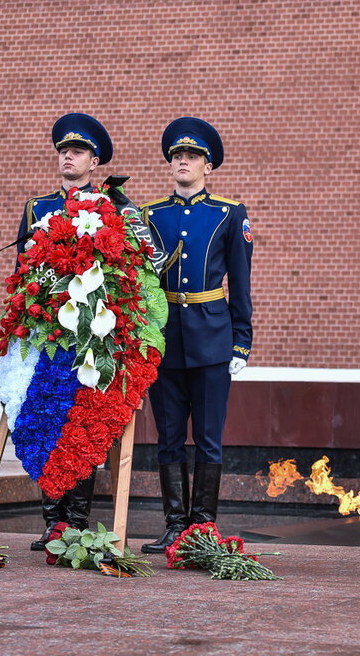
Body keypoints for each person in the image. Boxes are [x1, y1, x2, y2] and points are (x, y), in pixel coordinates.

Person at [139, 117, 253, 554]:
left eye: (192, 156)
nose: (182, 161)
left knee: (207, 435)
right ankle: (173, 525)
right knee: (168, 436)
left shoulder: (228, 213)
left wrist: (242, 341)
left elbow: (240, 284)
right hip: (165, 338)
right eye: (177, 156)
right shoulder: (150, 215)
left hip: (212, 337)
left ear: (209, 166)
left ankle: (201, 527)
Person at [19, 112, 113, 551]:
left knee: (82, 427)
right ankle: (51, 520)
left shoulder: (111, 207)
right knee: (44, 423)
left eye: (76, 152)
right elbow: (22, 273)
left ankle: (76, 520)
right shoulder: (38, 208)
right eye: (63, 151)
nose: (67, 157)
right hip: (46, 339)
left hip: (91, 338)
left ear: (94, 162)